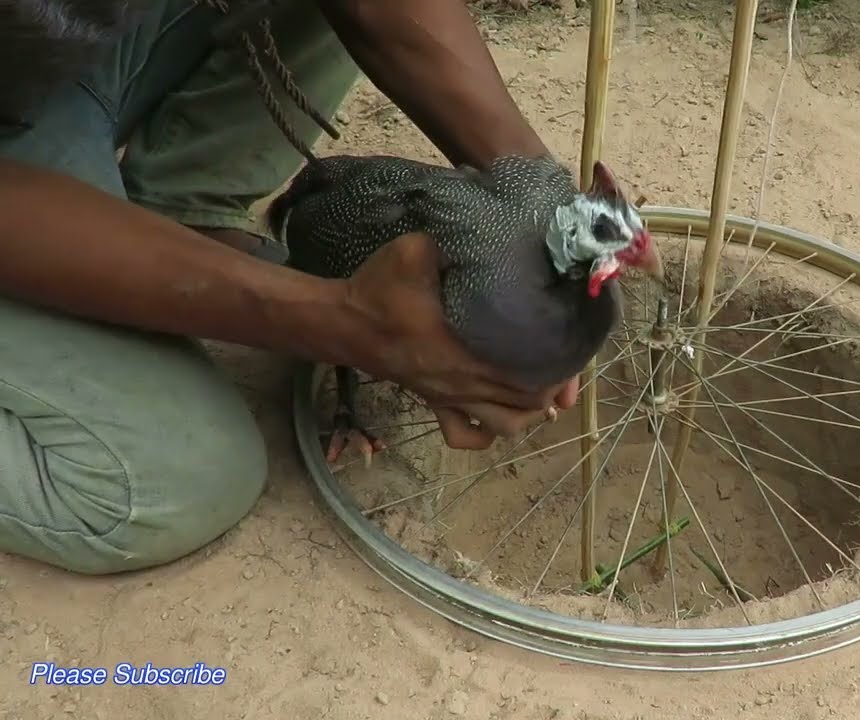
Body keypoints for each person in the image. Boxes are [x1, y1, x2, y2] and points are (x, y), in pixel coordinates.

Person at [0, 0, 580, 576]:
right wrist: (339, 319)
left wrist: (534, 193)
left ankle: (182, 206)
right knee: (172, 478)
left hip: (63, 60)